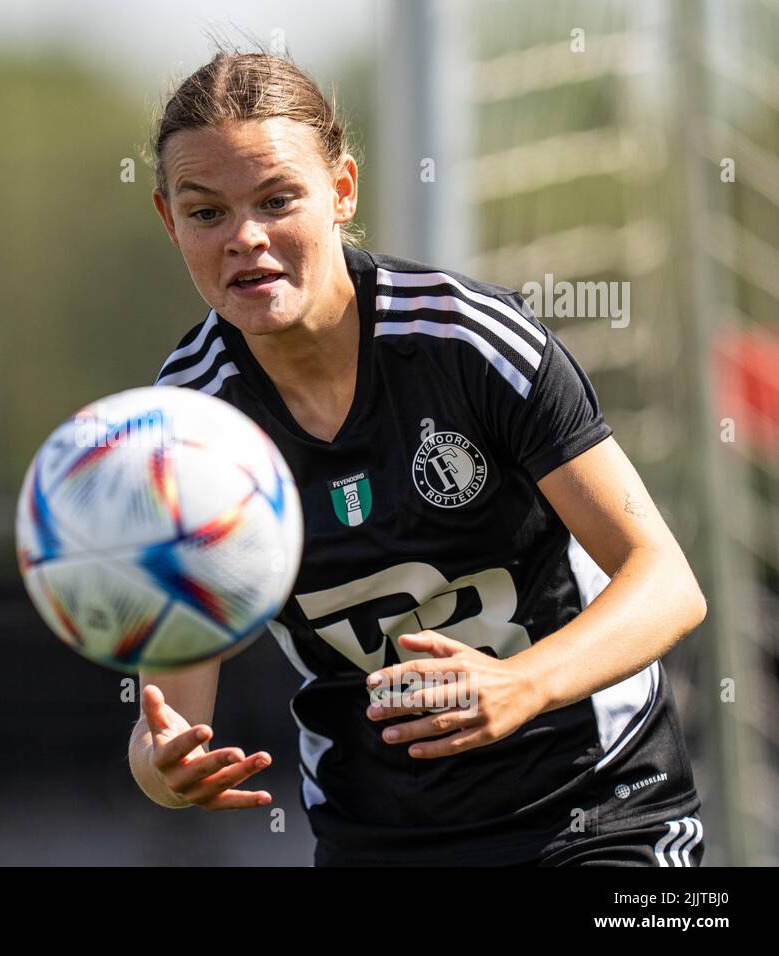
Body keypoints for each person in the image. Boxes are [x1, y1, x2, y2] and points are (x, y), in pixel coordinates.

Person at [126, 50, 708, 866]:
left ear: (343, 190)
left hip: (595, 809)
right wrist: (163, 766)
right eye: (207, 212)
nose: (245, 238)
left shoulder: (469, 343)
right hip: (381, 839)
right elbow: (170, 718)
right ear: (168, 218)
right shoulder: (187, 428)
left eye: (277, 199)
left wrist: (523, 684)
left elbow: (666, 584)